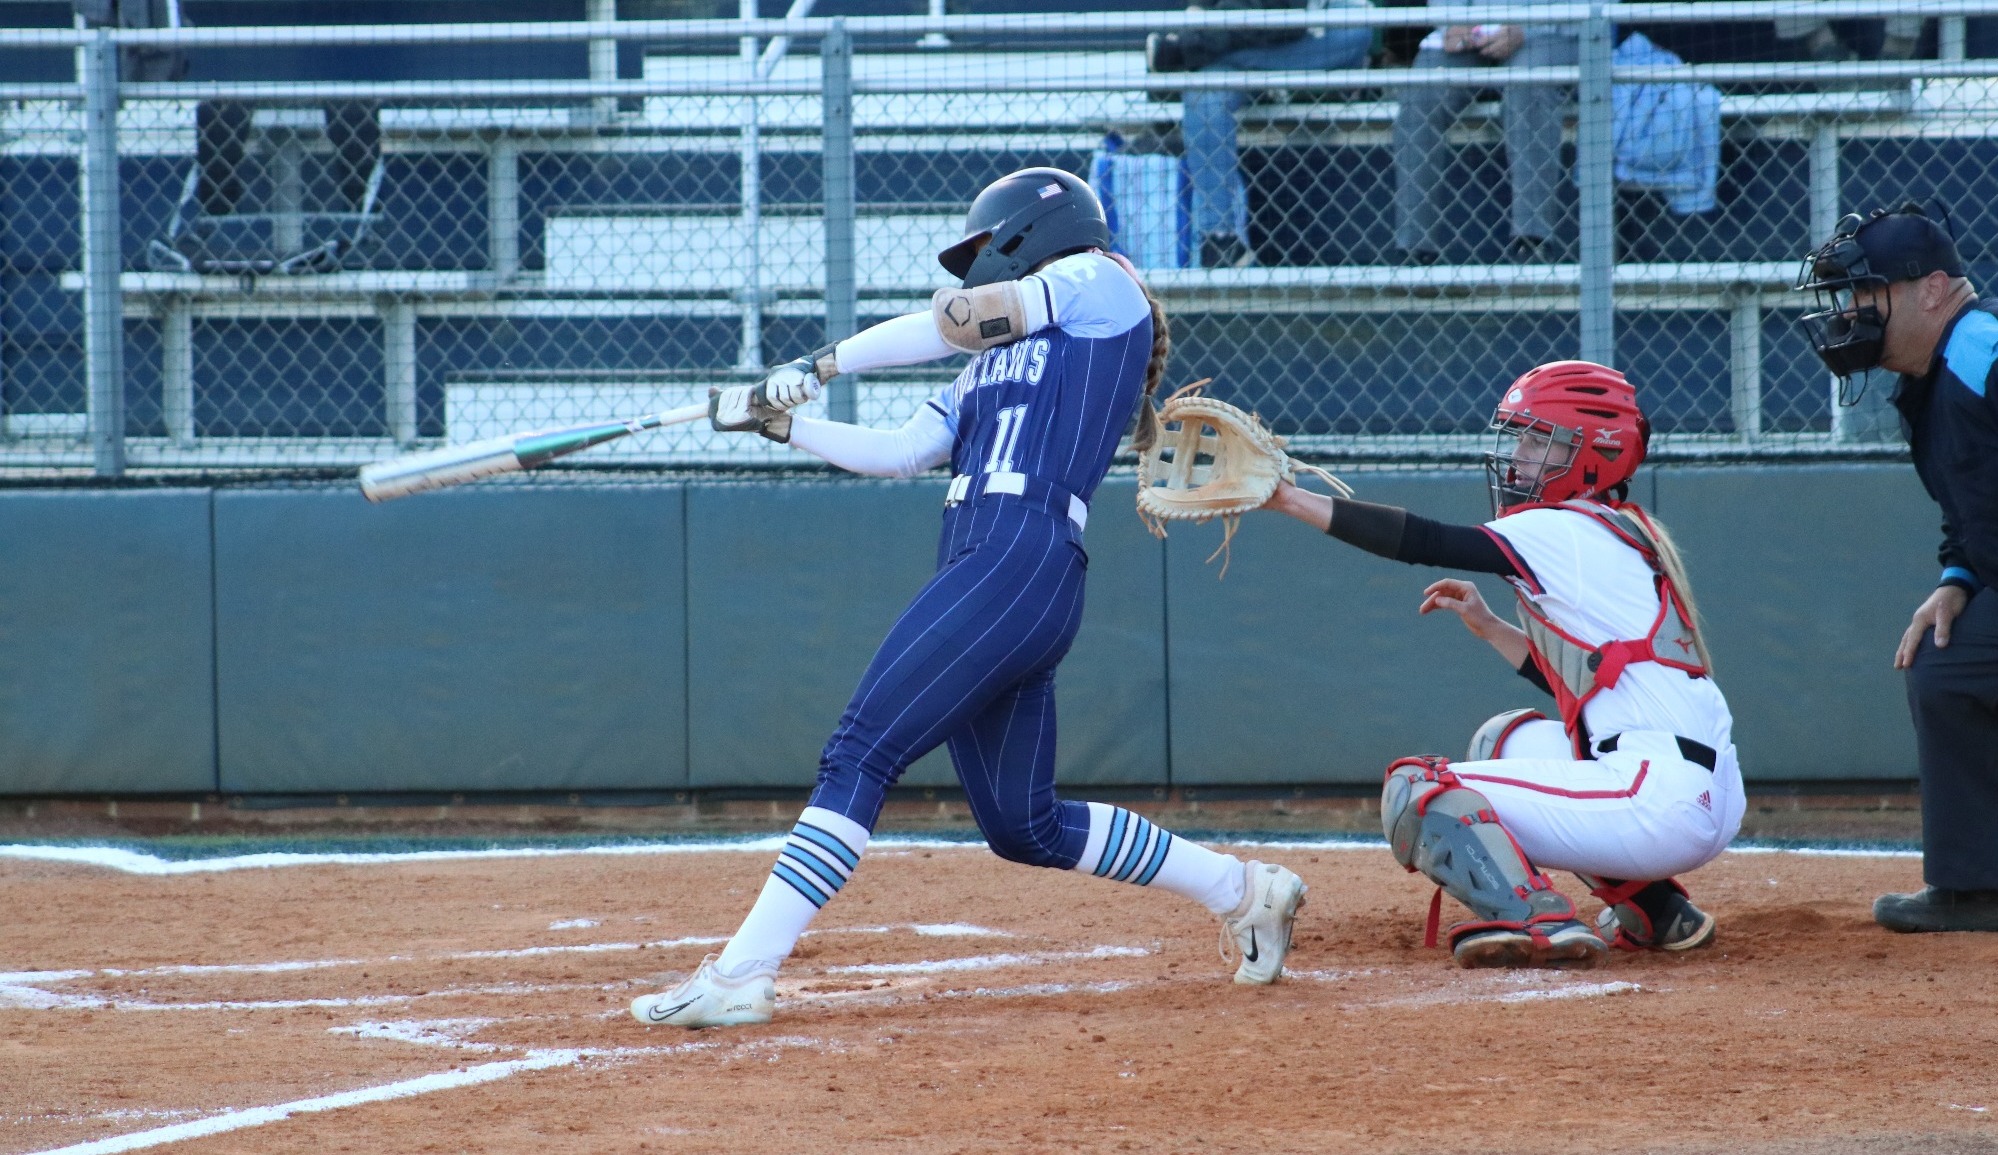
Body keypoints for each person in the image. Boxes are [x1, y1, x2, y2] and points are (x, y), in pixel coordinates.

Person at [627, 168, 1309, 1028]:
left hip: (1017, 555)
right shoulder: (990, 365)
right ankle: (1245, 891)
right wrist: (781, 420)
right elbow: (905, 448)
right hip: (994, 562)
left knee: (859, 751)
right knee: (1024, 824)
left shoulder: (1102, 283)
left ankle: (740, 973)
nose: (974, 269)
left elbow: (956, 321)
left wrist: (821, 363)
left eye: (984, 250)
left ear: (1026, 236)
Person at [1262, 360, 1743, 968]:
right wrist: (1491, 628)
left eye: (1539, 439)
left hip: (1659, 799)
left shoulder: (1563, 526)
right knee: (1504, 740)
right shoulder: (1619, 529)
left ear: (1592, 455)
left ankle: (1535, 919)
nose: (1518, 456)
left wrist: (1289, 498)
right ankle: (1657, 910)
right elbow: (1590, 684)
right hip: (1698, 790)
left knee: (1418, 791)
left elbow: (1426, 541)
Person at [1797, 204, 1998, 933]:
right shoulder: (1931, 377)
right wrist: (1959, 579)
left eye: (1866, 293)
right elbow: (1972, 507)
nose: (1851, 312)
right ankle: (1975, 885)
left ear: (1933, 289)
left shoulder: (1981, 350)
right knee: (1948, 664)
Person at [1151, 0, 1375, 268]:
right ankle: (1220, 238)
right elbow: (1202, 9)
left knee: (1359, 24)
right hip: (1240, 41)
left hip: (1305, 35)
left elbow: (1291, 13)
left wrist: (1200, 44)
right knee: (1203, 95)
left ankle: (1209, 54)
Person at [1390, 1, 1578, 263]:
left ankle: (1532, 241)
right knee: (1420, 94)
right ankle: (1414, 250)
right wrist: (1451, 22)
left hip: (1553, 30)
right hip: (1473, 26)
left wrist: (1528, 28)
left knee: (1527, 84)